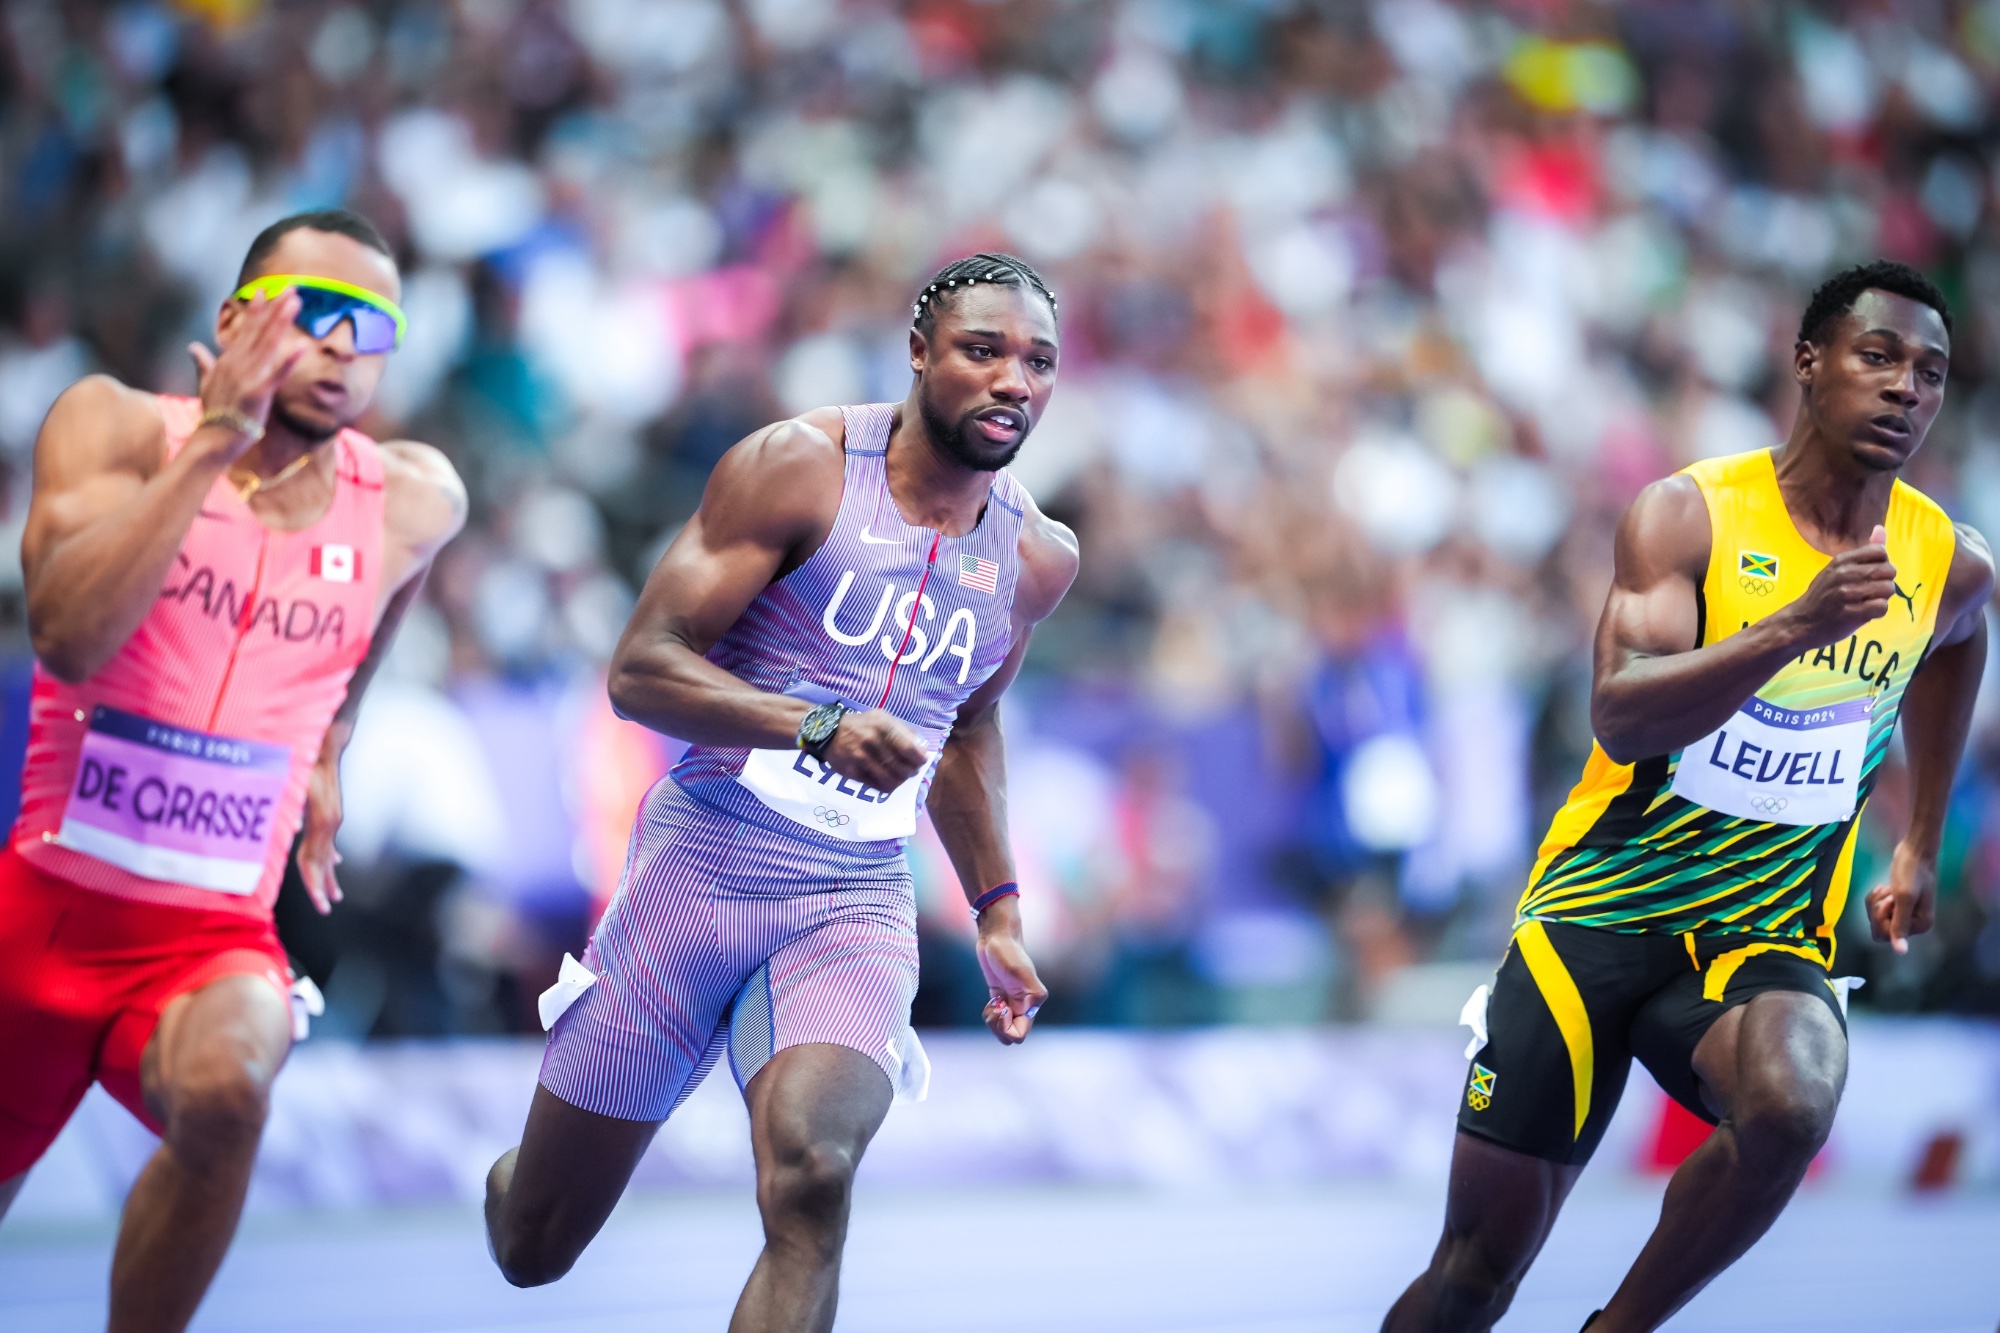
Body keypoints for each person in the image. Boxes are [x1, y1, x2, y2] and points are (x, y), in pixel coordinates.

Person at [1384, 260, 1992, 1333]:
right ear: (1808, 362)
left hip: (1755, 934)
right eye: (1877, 356)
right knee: (1472, 1275)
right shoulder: (1688, 518)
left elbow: (1956, 644)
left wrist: (1917, 840)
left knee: (1795, 1096)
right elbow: (1620, 714)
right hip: (1595, 919)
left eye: (1930, 373)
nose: (1906, 388)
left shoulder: (1943, 560)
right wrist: (1788, 630)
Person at [484, 252, 1078, 1331]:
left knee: (810, 1175)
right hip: (701, 868)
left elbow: (967, 728)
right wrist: (813, 725)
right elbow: (641, 668)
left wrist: (998, 910)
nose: (1012, 382)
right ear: (916, 355)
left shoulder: (1034, 558)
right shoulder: (797, 468)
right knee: (535, 1245)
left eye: (1036, 362)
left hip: (852, 901)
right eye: (981, 351)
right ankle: (522, 1174)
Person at [0, 209, 466, 1333]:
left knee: (228, 1088)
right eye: (314, 315)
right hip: (45, 919)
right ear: (234, 319)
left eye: (374, 328)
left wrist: (333, 737)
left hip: (212, 935)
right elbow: (64, 634)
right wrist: (215, 440)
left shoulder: (412, 498)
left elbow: (378, 617)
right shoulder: (114, 426)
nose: (343, 347)